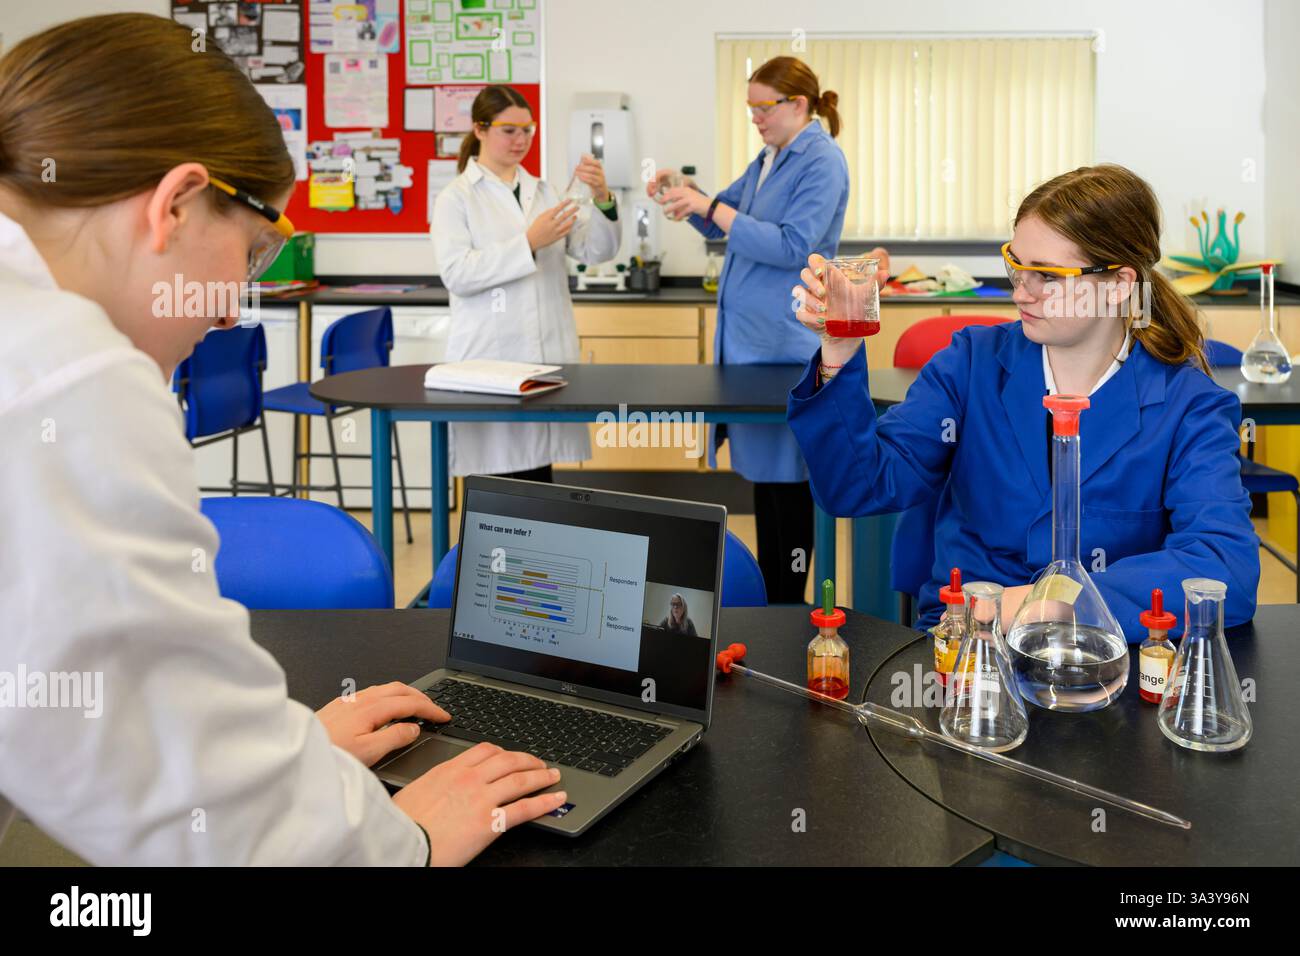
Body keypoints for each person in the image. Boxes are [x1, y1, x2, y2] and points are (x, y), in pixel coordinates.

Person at [0, 13, 565, 866]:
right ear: (178, 203)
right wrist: (406, 840)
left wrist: (283, 753)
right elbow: (191, 812)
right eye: (256, 252)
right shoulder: (69, 376)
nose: (232, 307)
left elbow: (104, 720)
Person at [787, 164, 1259, 638]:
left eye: (1047, 276)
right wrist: (839, 349)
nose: (1020, 291)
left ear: (1119, 285)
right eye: (1016, 264)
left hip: (1104, 653)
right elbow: (858, 486)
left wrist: (1052, 603)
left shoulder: (1188, 405)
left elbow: (1225, 570)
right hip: (968, 641)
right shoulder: (972, 363)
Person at [653, 56, 887, 603]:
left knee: (790, 482)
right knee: (766, 482)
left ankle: (789, 603)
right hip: (752, 346)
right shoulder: (770, 157)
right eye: (751, 108)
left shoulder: (821, 161)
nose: (755, 118)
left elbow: (789, 245)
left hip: (784, 342)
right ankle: (774, 600)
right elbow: (724, 215)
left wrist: (709, 205)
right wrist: (685, 193)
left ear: (799, 105)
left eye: (764, 107)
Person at [433, 85, 621, 482]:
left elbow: (593, 251)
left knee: (539, 483)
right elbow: (458, 274)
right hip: (490, 358)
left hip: (543, 357)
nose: (521, 140)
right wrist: (528, 243)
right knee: (498, 488)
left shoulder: (543, 190)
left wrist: (602, 197)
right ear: (480, 130)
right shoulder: (456, 197)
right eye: (509, 130)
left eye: (527, 130)